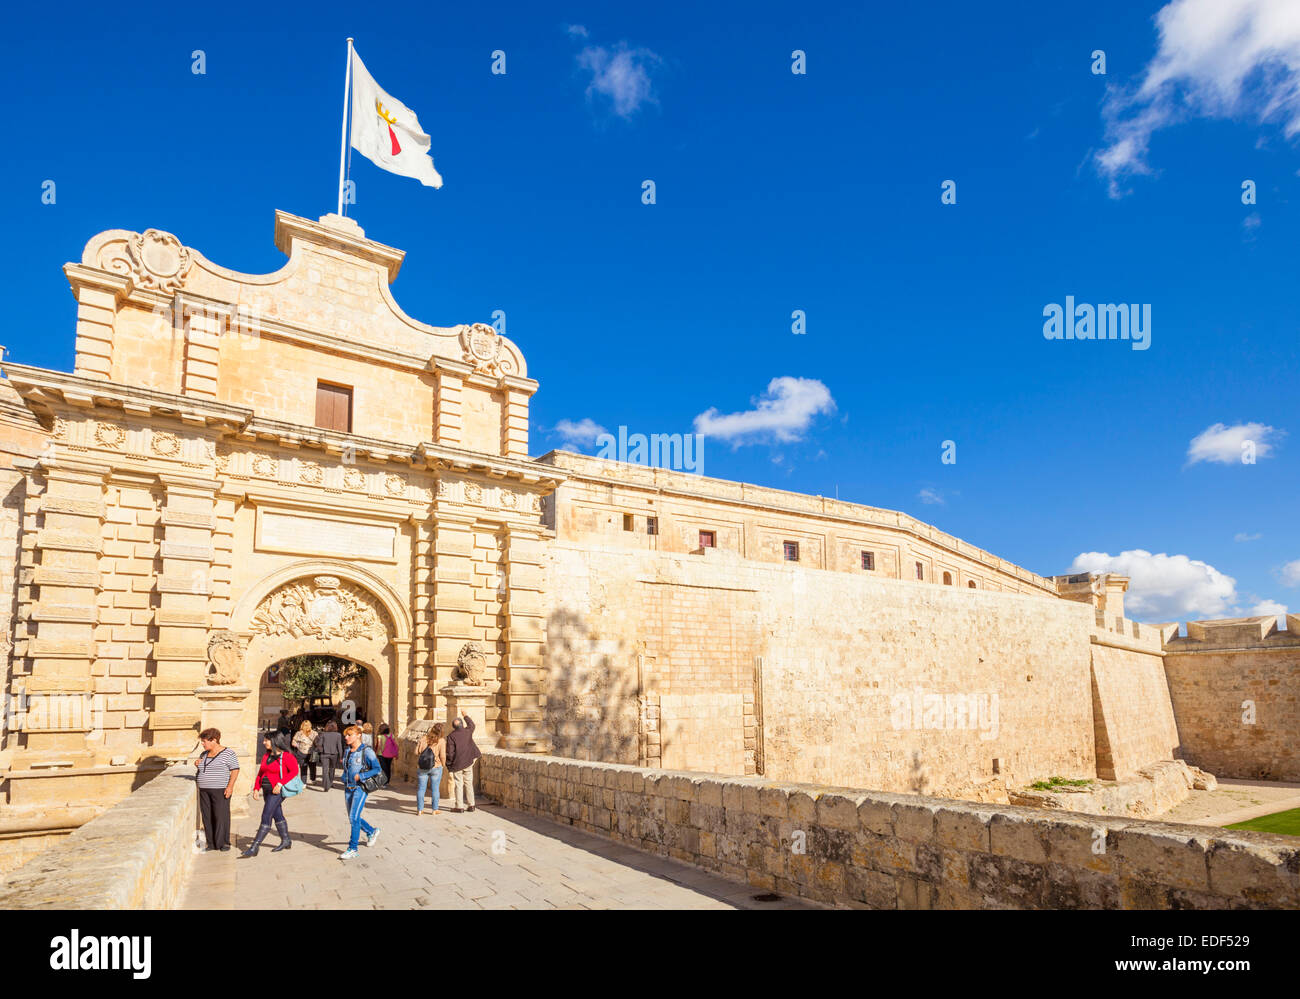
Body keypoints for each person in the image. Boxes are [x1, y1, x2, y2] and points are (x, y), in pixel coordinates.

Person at [241, 731, 299, 857]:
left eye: (266, 740)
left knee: (266, 815)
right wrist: (256, 788)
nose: (263, 742)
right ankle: (286, 840)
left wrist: (280, 783)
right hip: (266, 791)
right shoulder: (266, 755)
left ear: (274, 741)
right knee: (277, 814)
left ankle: (254, 846)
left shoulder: (287, 756)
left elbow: (294, 771)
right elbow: (261, 773)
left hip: (277, 791)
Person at [340, 724, 383, 860]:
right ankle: (372, 831)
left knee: (353, 818)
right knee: (354, 817)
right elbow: (346, 768)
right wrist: (344, 777)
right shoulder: (347, 751)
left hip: (360, 788)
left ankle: (353, 848)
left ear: (358, 735)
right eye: (345, 735)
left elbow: (377, 769)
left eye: (349, 735)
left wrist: (362, 776)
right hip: (348, 788)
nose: (346, 737)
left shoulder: (367, 751)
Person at [193, 728, 239, 851]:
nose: (202, 744)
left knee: (221, 816)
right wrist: (197, 763)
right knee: (207, 816)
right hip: (204, 790)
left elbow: (235, 769)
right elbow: (202, 767)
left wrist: (230, 787)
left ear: (214, 740)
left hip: (220, 789)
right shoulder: (204, 754)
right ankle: (211, 843)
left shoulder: (228, 753)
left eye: (204, 741)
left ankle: (224, 843)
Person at [445, 709, 481, 813]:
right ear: (461, 724)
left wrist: (449, 764)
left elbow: (450, 753)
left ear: (453, 726)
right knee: (469, 783)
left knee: (458, 784)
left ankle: (459, 806)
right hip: (468, 761)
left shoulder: (451, 736)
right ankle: (471, 805)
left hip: (457, 764)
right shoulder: (467, 731)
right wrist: (465, 716)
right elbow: (472, 725)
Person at [415, 724, 445, 816]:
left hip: (422, 767)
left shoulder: (423, 738)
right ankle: (434, 810)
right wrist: (443, 765)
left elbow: (416, 752)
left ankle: (420, 810)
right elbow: (443, 756)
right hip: (436, 767)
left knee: (421, 789)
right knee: (435, 789)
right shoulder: (441, 741)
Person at [317, 720, 343, 792]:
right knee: (332, 769)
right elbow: (339, 746)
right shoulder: (338, 735)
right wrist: (341, 756)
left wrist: (322, 750)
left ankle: (326, 785)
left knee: (325, 770)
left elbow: (319, 744)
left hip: (324, 753)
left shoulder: (323, 734)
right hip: (334, 754)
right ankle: (330, 783)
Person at [293, 720, 318, 784]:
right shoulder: (315, 733)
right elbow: (317, 743)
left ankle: (303, 783)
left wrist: (298, 745)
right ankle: (313, 779)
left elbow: (293, 743)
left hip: (301, 752)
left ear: (302, 725)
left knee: (303, 767)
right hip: (313, 752)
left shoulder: (298, 733)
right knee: (313, 767)